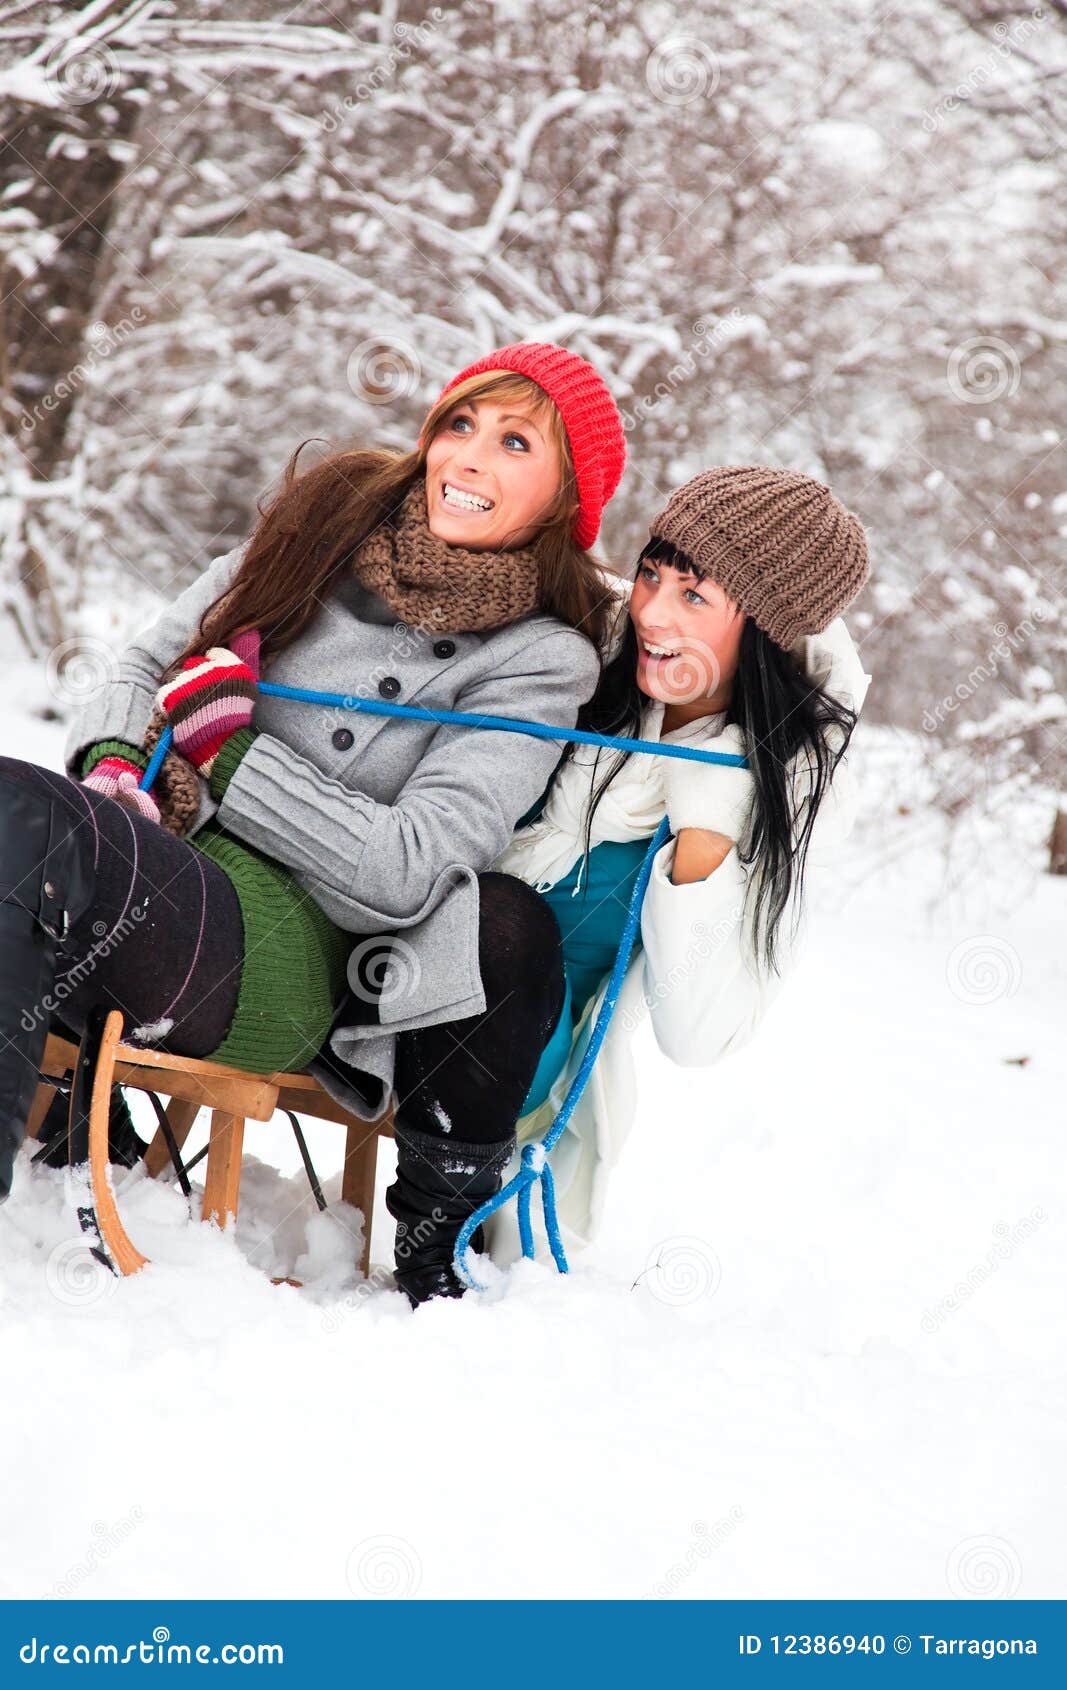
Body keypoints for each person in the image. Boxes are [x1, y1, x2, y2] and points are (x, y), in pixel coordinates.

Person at [0, 342, 627, 1310]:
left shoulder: (539, 660)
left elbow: (413, 866)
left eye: (515, 443)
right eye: (459, 424)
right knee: (22, 809)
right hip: (158, 854)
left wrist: (232, 753)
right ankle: (57, 1125)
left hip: (290, 952)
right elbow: (141, 666)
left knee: (24, 813)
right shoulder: (313, 535)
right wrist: (117, 761)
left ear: (564, 498)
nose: (469, 456)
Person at [475, 464, 875, 1267]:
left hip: (516, 1064)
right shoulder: (584, 664)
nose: (651, 611)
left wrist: (704, 834)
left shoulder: (772, 789)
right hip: (415, 963)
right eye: (651, 575)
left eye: (694, 596)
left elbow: (697, 1034)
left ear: (765, 631)